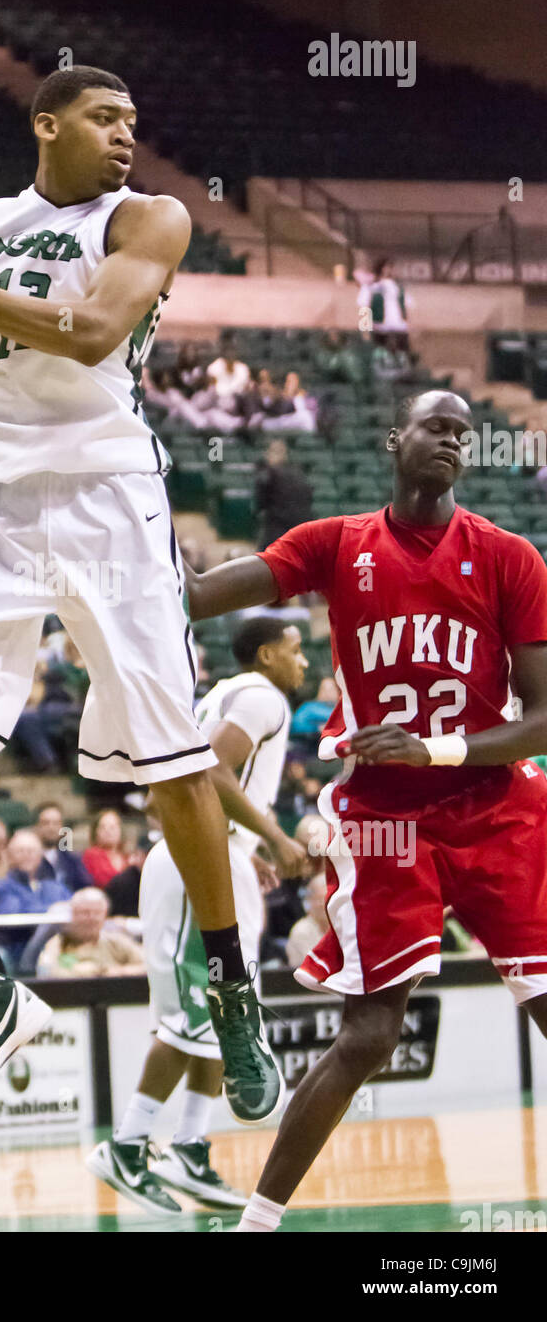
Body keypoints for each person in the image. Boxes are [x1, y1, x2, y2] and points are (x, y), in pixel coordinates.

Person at [0, 64, 281, 1120]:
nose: (128, 133)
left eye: (134, 117)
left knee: (172, 761)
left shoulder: (151, 215)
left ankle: (229, 988)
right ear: (47, 122)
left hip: (109, 492)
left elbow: (90, 332)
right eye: (105, 116)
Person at [186, 388, 547, 1233]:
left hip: (496, 804)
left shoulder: (509, 558)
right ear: (395, 436)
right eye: (437, 427)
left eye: (465, 434)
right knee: (368, 1035)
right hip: (387, 818)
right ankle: (260, 1220)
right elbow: (200, 593)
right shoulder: (336, 544)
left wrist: (439, 749)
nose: (453, 442)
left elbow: (543, 718)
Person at [89, 616, 308, 1215]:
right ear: (265, 655)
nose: (304, 662)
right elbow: (210, 768)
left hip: (218, 856)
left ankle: (187, 1146)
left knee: (219, 1019)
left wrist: (248, 847)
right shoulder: (262, 696)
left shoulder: (228, 693)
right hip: (196, 864)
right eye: (294, 651)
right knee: (195, 1012)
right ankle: (129, 1147)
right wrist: (276, 837)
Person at [0, 829, 71, 970]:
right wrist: (51, 911)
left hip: (61, 950)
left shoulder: (55, 887)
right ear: (9, 856)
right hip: (19, 955)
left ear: (40, 857)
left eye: (31, 851)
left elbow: (74, 909)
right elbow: (14, 914)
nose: (26, 855)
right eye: (20, 851)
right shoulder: (0, 887)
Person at [36, 887, 145, 977]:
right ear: (73, 914)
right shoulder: (59, 943)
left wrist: (116, 972)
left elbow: (149, 965)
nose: (91, 918)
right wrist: (82, 973)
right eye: (85, 913)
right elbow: (46, 972)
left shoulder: (116, 941)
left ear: (105, 915)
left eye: (97, 913)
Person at [253, 439, 314, 550]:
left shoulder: (268, 473)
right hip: (299, 531)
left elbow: (260, 503)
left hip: (277, 530)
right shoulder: (299, 473)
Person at [34, 801, 92, 892]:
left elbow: (86, 887)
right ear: (37, 826)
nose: (51, 828)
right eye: (46, 823)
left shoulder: (72, 859)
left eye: (56, 823)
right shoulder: (29, 859)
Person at [285, 873, 330, 969]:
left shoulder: (344, 927)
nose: (322, 904)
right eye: (318, 899)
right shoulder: (301, 930)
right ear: (309, 901)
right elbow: (317, 968)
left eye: (326, 899)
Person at [82, 809, 131, 888]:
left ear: (121, 831)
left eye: (112, 827)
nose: (107, 831)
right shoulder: (91, 855)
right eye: (102, 827)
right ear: (95, 832)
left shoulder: (127, 857)